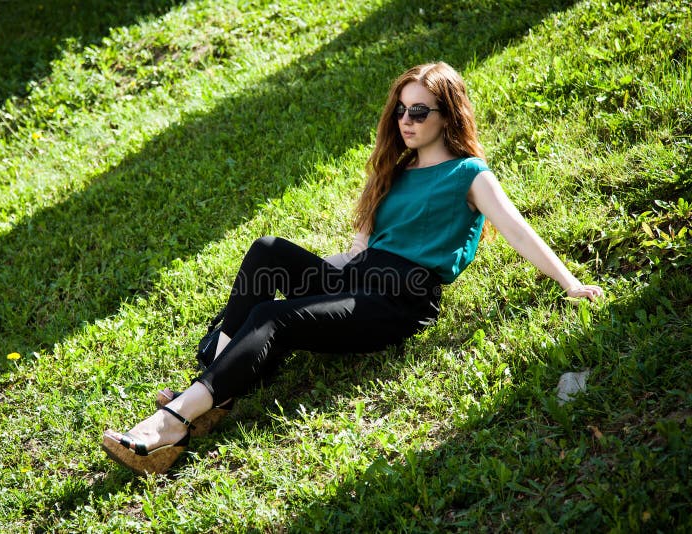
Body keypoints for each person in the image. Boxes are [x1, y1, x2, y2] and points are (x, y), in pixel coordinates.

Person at [102, 62, 604, 476]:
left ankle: (172, 421)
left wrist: (571, 283)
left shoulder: (469, 175)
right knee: (269, 250)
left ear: (447, 114)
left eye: (420, 111)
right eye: (402, 110)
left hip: (399, 297)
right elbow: (360, 247)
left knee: (275, 319)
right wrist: (321, 276)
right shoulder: (397, 169)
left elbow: (518, 231)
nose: (406, 121)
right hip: (360, 276)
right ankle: (212, 386)